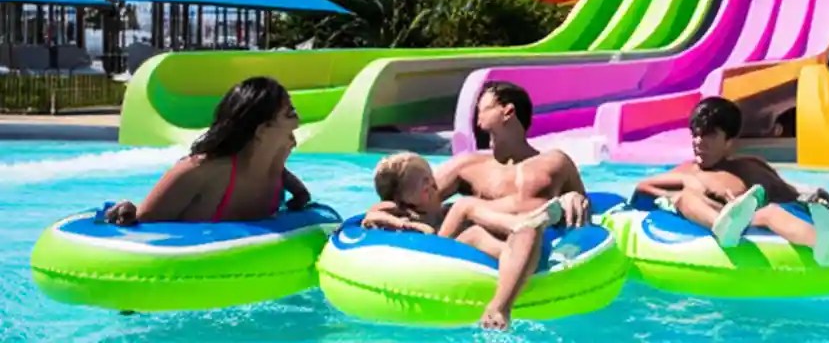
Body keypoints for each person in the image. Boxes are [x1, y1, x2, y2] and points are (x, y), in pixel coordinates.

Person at [429, 81, 592, 331]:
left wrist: (573, 197)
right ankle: (499, 307)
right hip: (478, 243)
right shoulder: (468, 165)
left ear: (508, 111)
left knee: (529, 228)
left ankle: (499, 308)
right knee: (504, 221)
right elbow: (415, 198)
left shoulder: (555, 162)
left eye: (482, 109)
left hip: (529, 243)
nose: (476, 119)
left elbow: (586, 214)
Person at [632, 96, 829, 267]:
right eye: (696, 135)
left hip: (747, 221)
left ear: (729, 141)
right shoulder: (687, 171)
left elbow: (789, 194)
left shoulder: (749, 168)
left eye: (709, 136)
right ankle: (721, 226)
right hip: (711, 219)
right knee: (685, 199)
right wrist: (686, 183)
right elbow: (643, 187)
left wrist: (815, 199)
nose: (699, 142)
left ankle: (822, 245)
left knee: (771, 213)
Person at [103, 76, 311, 225]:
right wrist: (127, 213)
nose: (298, 122)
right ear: (262, 130)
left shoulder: (275, 170)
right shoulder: (200, 171)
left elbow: (300, 194)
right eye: (290, 113)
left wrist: (300, 199)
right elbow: (142, 225)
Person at [361, 151, 562, 236]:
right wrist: (408, 225)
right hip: (434, 247)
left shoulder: (441, 210)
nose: (432, 184)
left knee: (471, 208)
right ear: (402, 196)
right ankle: (518, 225)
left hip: (447, 239)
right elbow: (372, 215)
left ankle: (534, 218)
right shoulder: (402, 209)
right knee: (464, 206)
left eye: (430, 177)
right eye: (423, 181)